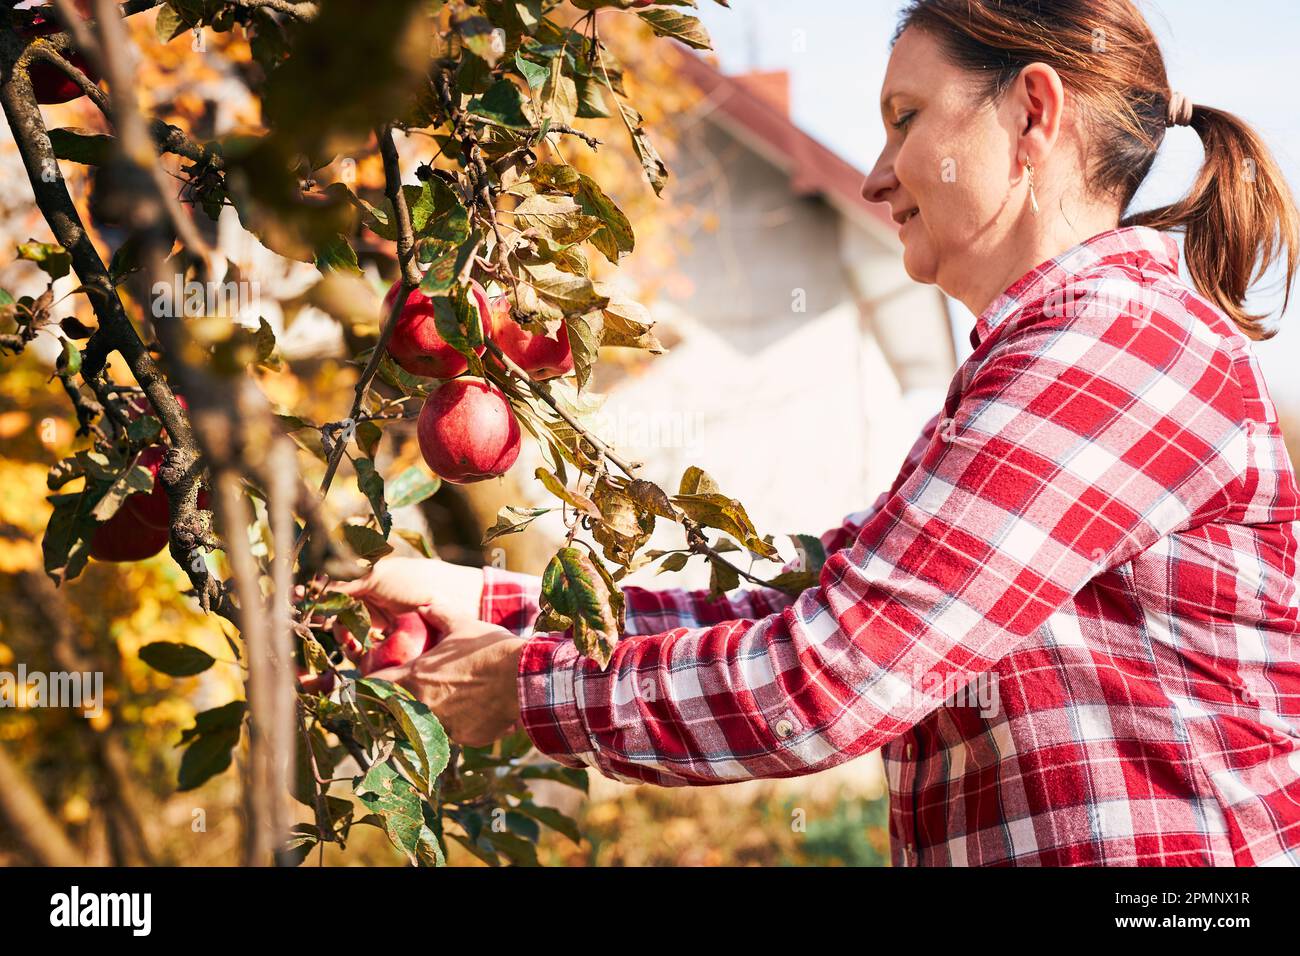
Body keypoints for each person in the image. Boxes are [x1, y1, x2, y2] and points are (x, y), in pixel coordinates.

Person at [334, 0, 1300, 866]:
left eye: (905, 120)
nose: (877, 176)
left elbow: (833, 673)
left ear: (1032, 115)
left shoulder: (1112, 353)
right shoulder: (1044, 363)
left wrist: (534, 691)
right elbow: (816, 602)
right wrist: (501, 609)